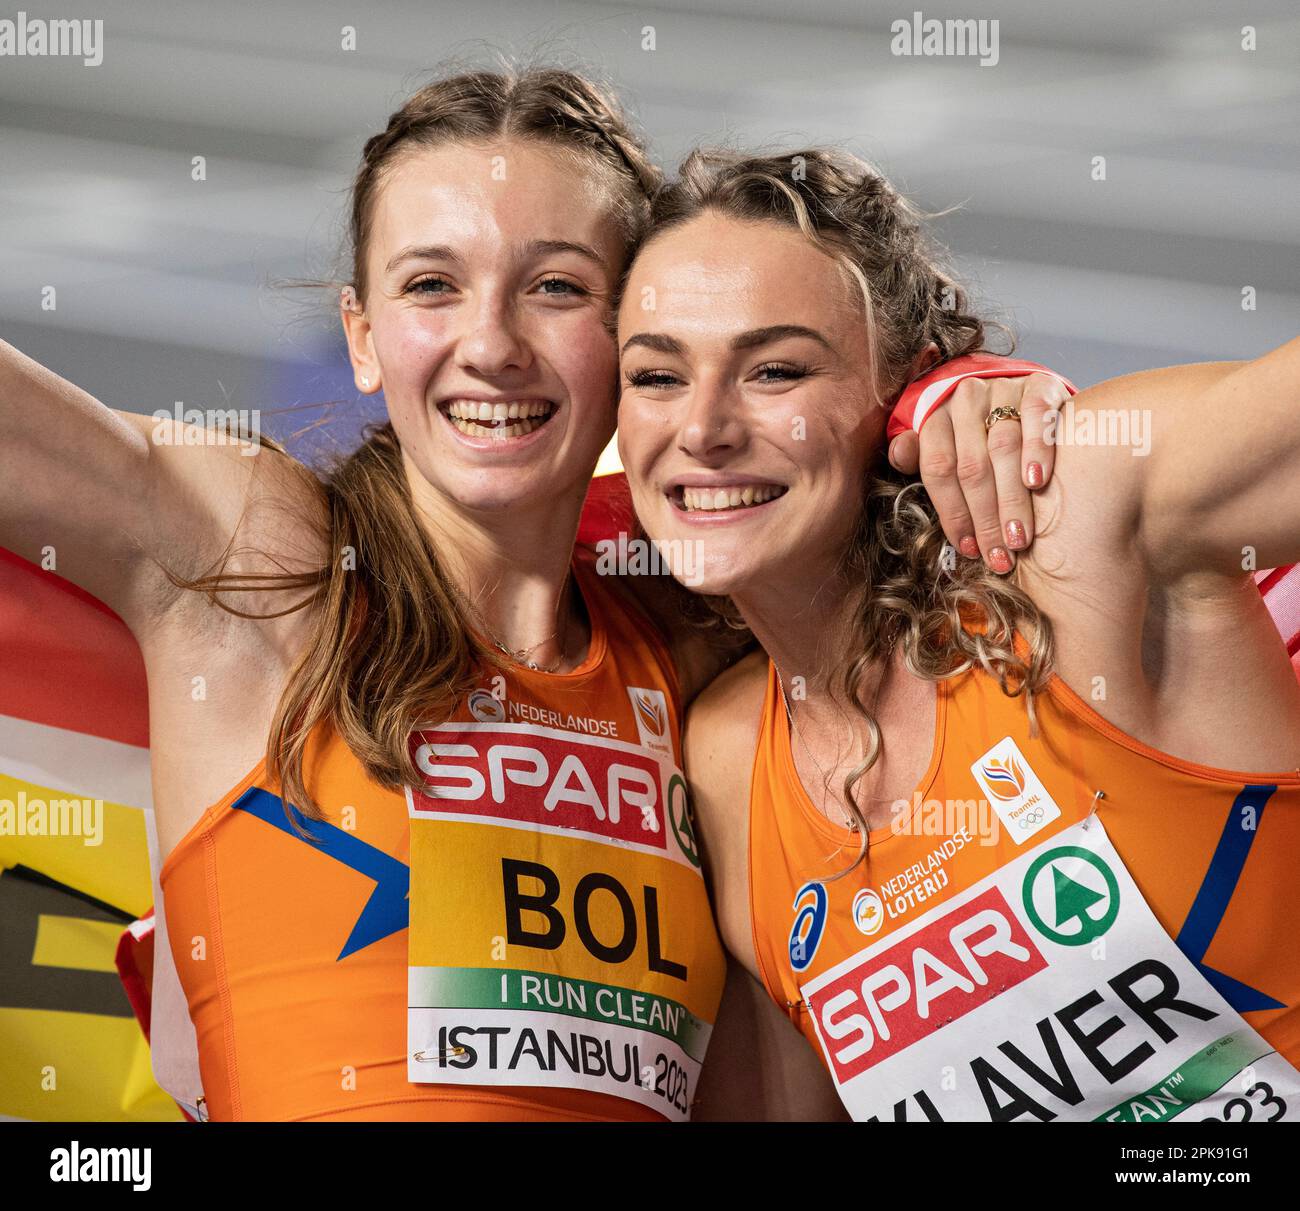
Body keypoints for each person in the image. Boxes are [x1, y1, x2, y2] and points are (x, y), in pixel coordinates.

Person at [0, 68, 1064, 1122]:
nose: (492, 346)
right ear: (362, 337)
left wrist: (949, 397)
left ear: (635, 336)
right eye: (430, 286)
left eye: (555, 287)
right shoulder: (266, 569)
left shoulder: (703, 667)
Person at [615, 147, 1300, 1122]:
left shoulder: (1071, 538)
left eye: (775, 369)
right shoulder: (727, 764)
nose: (704, 427)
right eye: (656, 375)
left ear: (902, 385)